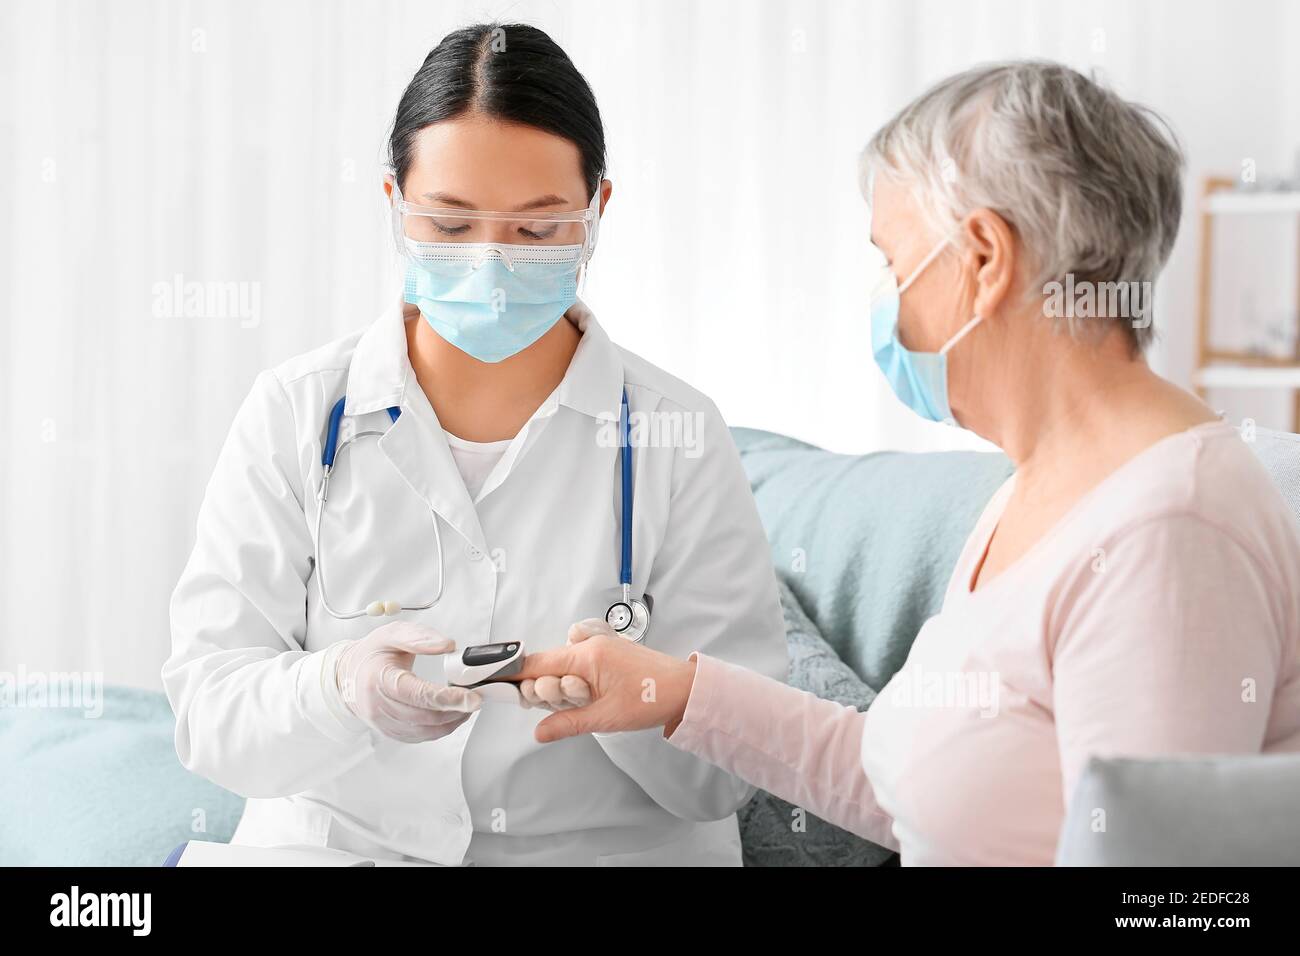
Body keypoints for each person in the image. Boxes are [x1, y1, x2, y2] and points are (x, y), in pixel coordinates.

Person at [513, 61, 1300, 866]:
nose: (888, 303)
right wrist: (669, 692)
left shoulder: (1170, 532)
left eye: (897, 265)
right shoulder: (1043, 486)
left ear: (986, 258)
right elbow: (911, 788)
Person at [163, 22, 787, 867]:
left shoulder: (678, 434)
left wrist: (640, 697)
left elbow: (729, 779)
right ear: (393, 205)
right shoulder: (296, 415)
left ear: (599, 209)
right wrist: (341, 690)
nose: (491, 263)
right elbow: (209, 715)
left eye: (536, 233)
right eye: (450, 227)